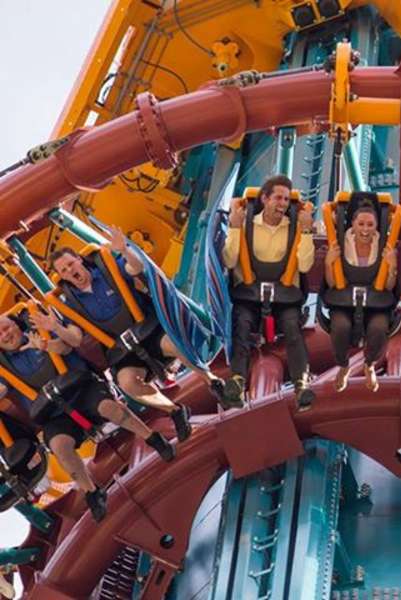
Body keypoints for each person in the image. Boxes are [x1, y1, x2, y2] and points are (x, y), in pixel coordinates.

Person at [0, 313, 175, 521]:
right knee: (59, 445)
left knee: (109, 408)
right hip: (55, 413)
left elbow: (67, 346)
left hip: (82, 390)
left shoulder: (40, 330)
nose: (5, 335)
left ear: (17, 325)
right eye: (0, 334)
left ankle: (153, 438)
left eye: (7, 328)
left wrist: (45, 344)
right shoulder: (5, 367)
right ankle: (92, 492)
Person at [49, 226, 209, 440]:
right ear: (61, 277)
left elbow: (136, 268)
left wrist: (124, 250)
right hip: (124, 349)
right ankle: (175, 411)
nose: (70, 271)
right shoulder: (71, 302)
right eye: (64, 271)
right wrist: (55, 328)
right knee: (127, 383)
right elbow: (75, 338)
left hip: (148, 332)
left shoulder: (107, 270)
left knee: (174, 345)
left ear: (79, 260)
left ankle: (211, 380)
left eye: (70, 264)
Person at [222, 175, 315, 408]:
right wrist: (234, 227)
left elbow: (304, 266)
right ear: (264, 199)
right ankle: (237, 381)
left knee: (293, 328)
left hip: (285, 296)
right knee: (241, 324)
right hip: (249, 294)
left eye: (285, 199)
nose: (282, 204)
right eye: (277, 198)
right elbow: (230, 260)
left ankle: (301, 384)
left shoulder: (292, 229)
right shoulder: (246, 224)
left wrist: (306, 232)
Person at [323, 198, 397, 392]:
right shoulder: (341, 242)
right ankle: (343, 365)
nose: (365, 229)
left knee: (379, 327)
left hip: (376, 300)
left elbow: (389, 287)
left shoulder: (383, 245)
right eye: (361, 224)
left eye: (370, 225)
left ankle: (369, 364)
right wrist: (328, 263)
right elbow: (331, 284)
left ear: (377, 226)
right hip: (344, 300)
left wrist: (392, 266)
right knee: (340, 326)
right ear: (353, 224)